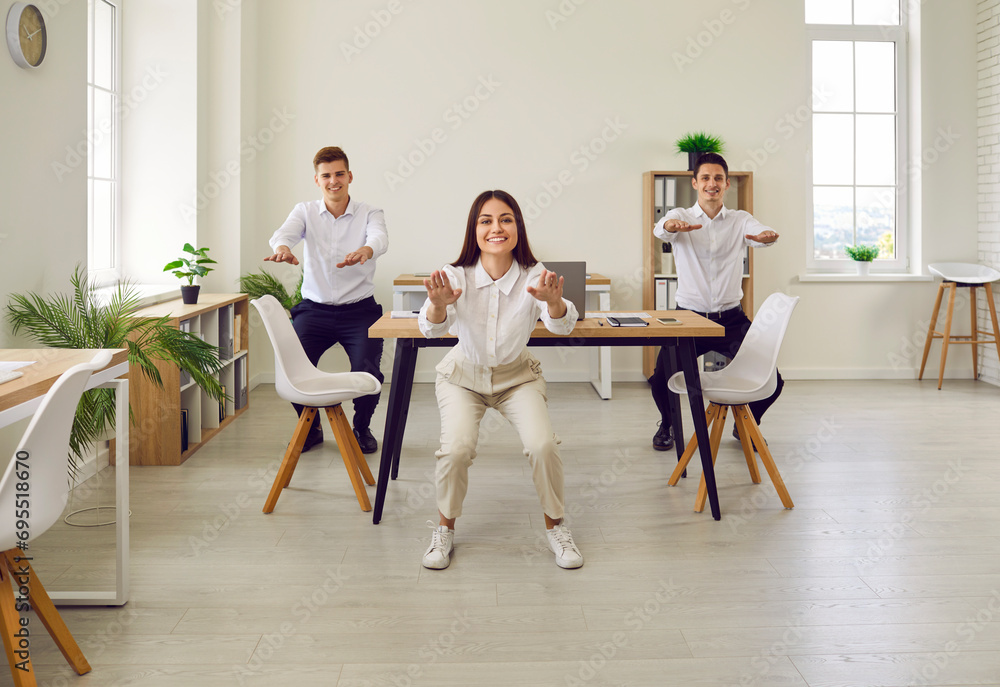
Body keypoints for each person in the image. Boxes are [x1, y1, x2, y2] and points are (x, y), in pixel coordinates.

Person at [417, 190, 583, 571]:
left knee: (543, 445)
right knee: (456, 450)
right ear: (474, 230)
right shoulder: (454, 275)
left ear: (517, 227)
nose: (497, 228)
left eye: (506, 219)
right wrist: (438, 305)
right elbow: (429, 329)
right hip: (463, 377)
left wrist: (554, 302)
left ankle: (557, 528)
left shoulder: (535, 274)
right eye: (486, 220)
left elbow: (563, 325)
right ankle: (444, 530)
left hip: (517, 378)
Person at [648, 152, 781, 451]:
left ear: (727, 184)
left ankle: (746, 425)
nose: (712, 183)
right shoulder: (681, 216)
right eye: (705, 178)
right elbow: (661, 228)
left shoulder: (739, 220)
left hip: (731, 321)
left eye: (718, 178)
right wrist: (672, 227)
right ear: (695, 183)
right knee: (660, 379)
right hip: (688, 319)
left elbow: (760, 232)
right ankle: (667, 425)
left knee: (772, 380)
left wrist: (765, 237)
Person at [266, 146, 387, 454]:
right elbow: (284, 234)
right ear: (317, 180)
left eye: (339, 174)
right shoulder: (305, 211)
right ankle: (312, 428)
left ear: (349, 176)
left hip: (359, 311)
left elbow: (379, 238)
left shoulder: (370, 212)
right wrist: (283, 248)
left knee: (368, 372)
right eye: (326, 176)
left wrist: (367, 250)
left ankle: (361, 428)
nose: (334, 181)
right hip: (313, 311)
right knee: (290, 369)